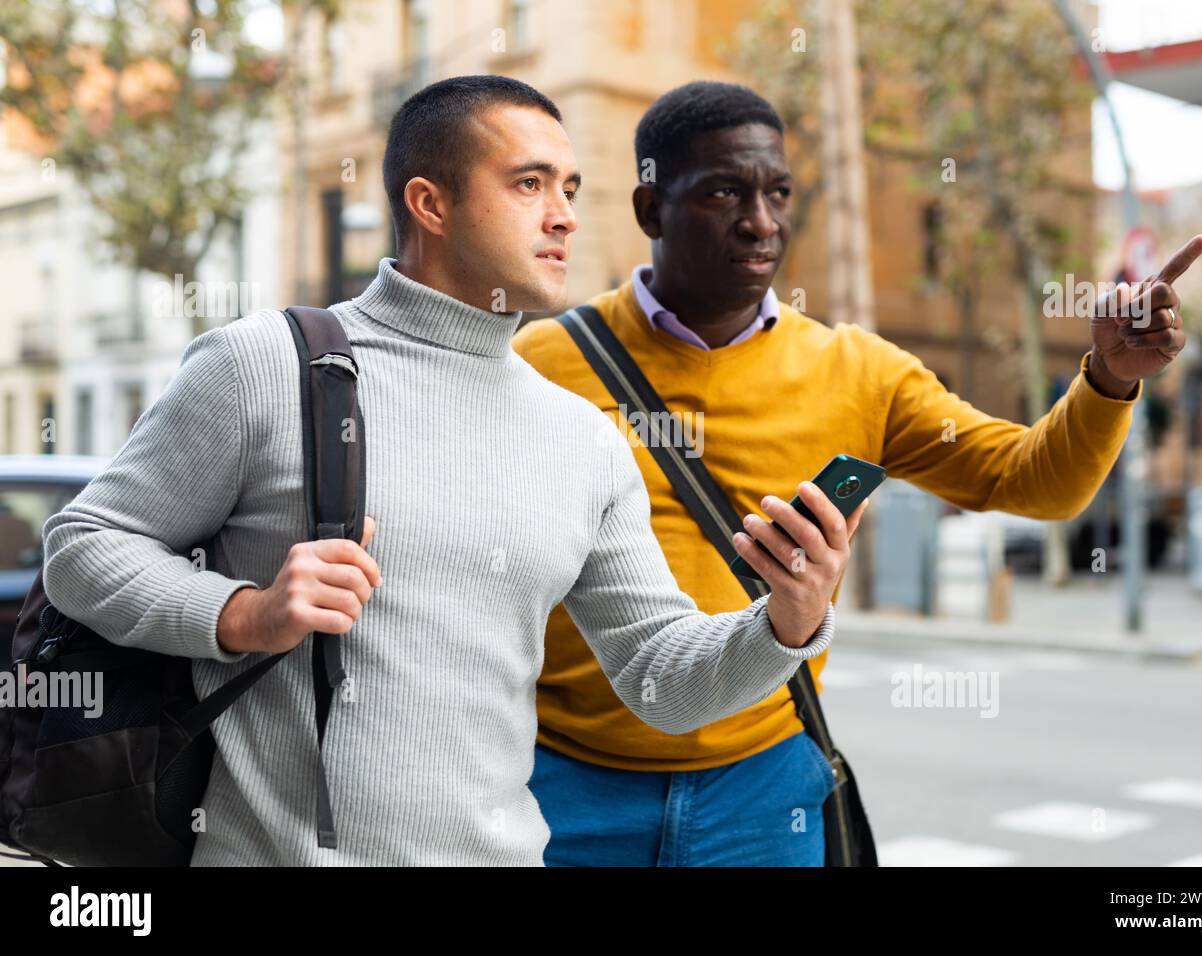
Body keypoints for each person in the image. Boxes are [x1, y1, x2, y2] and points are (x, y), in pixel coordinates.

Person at [41, 75, 863, 866]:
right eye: (529, 184)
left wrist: (786, 620)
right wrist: (242, 615)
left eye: (570, 187)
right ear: (431, 204)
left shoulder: (583, 437)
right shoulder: (266, 364)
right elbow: (83, 546)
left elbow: (660, 680)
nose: (565, 217)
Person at [513, 80, 1202, 866]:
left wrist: (1108, 379)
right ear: (650, 210)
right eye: (723, 192)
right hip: (564, 792)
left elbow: (1034, 481)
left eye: (777, 191)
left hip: (764, 795)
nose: (762, 222)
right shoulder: (539, 364)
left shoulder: (860, 372)